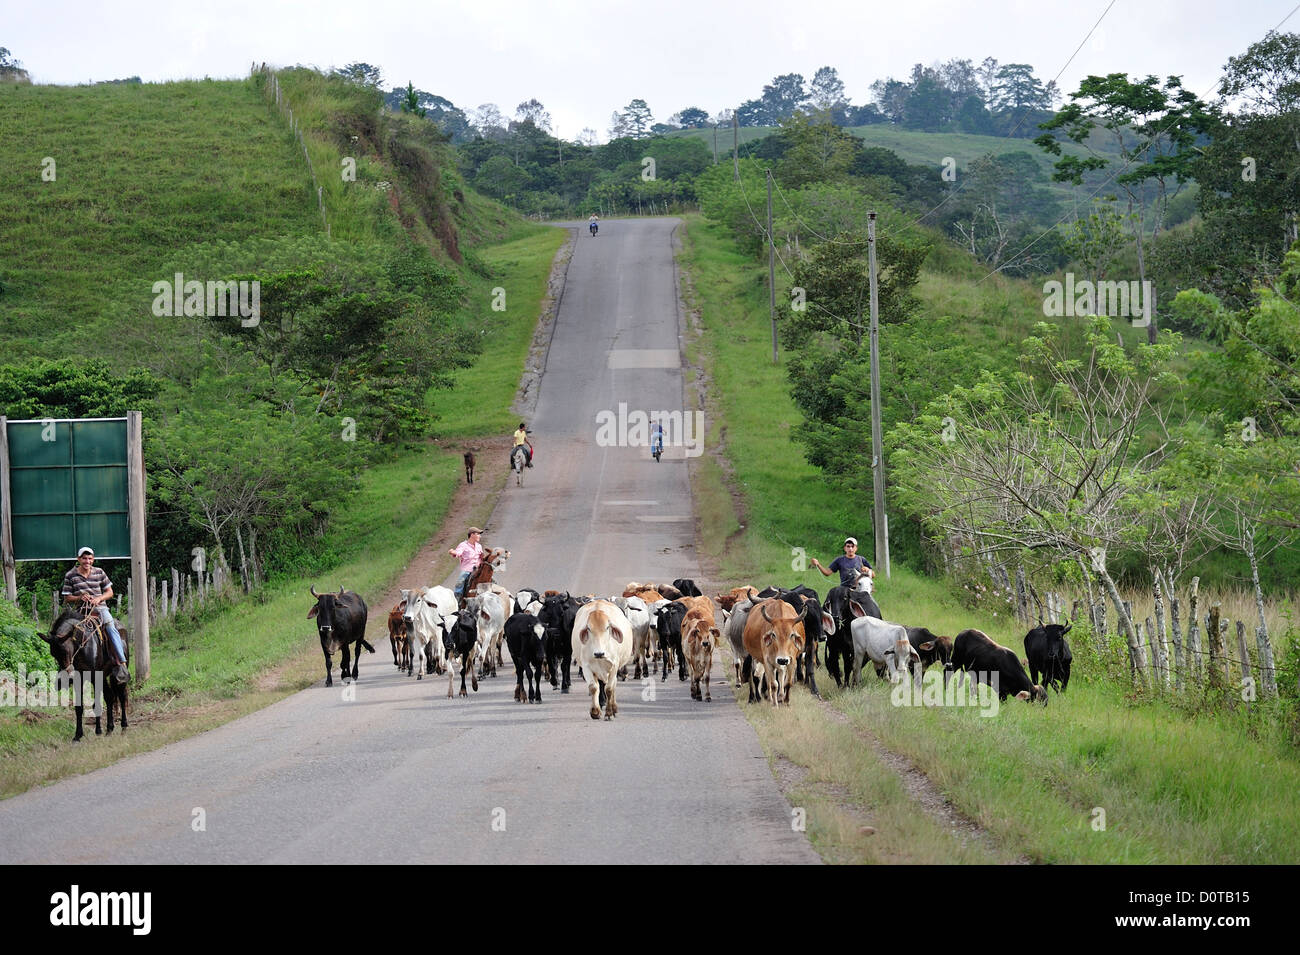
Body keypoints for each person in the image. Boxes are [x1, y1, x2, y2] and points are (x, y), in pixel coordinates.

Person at [61, 547, 127, 665]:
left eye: (90, 559)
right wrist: (79, 597)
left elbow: (110, 592)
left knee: (110, 625)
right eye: (84, 558)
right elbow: (67, 598)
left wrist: (99, 598)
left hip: (100, 608)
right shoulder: (70, 575)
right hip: (79, 611)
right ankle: (66, 664)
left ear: (93, 559)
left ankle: (120, 661)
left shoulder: (99, 572)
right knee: (65, 633)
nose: (87, 561)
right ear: (78, 559)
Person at [810, 537, 875, 586]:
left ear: (856, 548)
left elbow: (873, 575)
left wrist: (868, 570)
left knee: (872, 603)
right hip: (844, 589)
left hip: (859, 589)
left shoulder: (861, 559)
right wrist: (818, 564)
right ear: (845, 548)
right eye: (848, 546)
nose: (850, 549)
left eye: (852, 546)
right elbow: (827, 573)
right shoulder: (839, 560)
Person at [448, 527, 485, 600]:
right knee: (460, 584)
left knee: (491, 579)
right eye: (478, 534)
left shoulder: (479, 546)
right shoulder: (463, 545)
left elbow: (481, 558)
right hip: (467, 570)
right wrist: (452, 552)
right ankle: (457, 601)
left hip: (478, 569)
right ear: (472, 535)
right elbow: (458, 552)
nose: (480, 536)